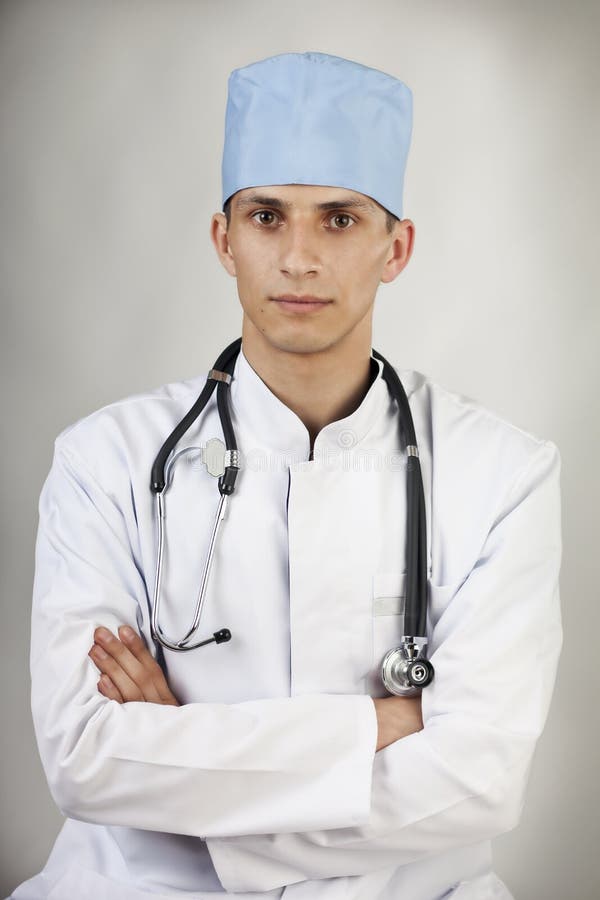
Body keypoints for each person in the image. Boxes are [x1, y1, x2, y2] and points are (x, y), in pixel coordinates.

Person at [9, 52, 562, 900]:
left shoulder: (502, 474)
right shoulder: (105, 461)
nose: (299, 258)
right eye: (267, 216)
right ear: (224, 240)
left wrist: (180, 771)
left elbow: (479, 780)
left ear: (396, 248)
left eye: (339, 219)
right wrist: (380, 725)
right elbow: (85, 759)